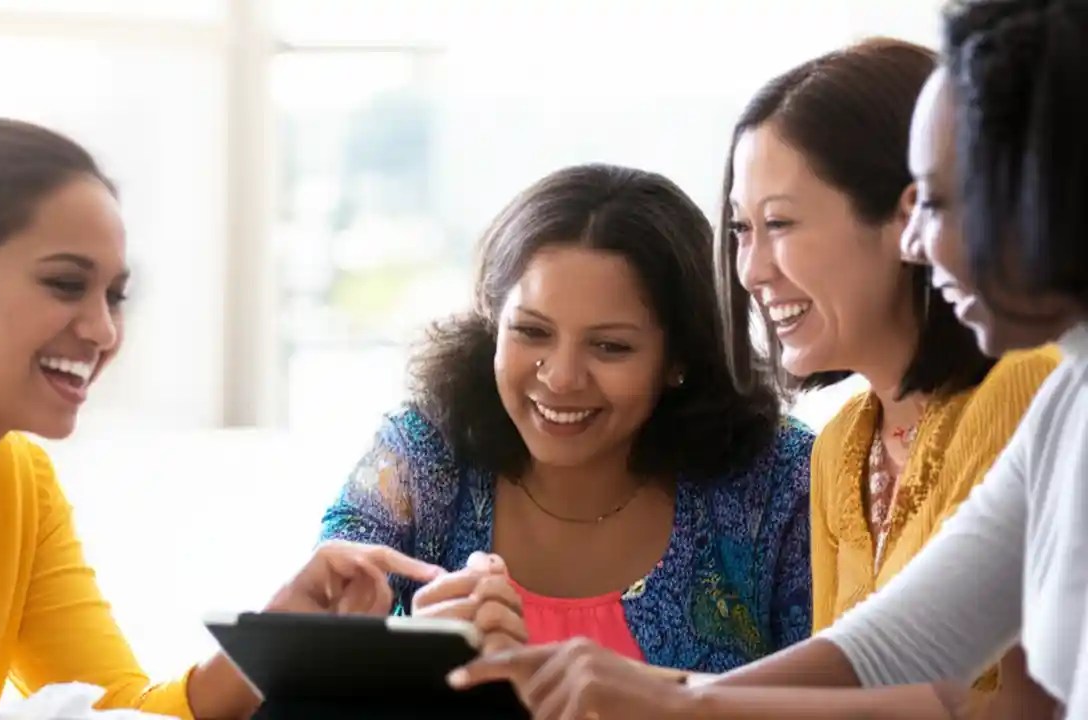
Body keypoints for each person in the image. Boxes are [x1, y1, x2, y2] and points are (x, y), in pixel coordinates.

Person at [449, 1, 1088, 717]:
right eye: (741, 229)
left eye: (937, 202)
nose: (918, 240)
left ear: (1045, 186)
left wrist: (677, 703)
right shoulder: (1060, 404)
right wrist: (630, 689)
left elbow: (974, 703)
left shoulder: (1035, 387)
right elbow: (894, 651)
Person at [0, 116, 443, 720]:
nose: (103, 330)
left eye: (114, 296)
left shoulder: (17, 480)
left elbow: (119, 709)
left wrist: (281, 641)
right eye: (64, 284)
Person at [319, 163, 815, 672]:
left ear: (679, 360)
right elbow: (307, 657)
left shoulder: (781, 483)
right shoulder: (419, 457)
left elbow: (847, 697)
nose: (561, 377)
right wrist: (408, 660)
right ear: (494, 324)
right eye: (532, 332)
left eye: (609, 346)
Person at [719, 36, 1057, 648]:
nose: (751, 269)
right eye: (742, 228)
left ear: (908, 215)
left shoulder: (1026, 390)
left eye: (779, 224)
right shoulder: (841, 447)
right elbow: (833, 699)